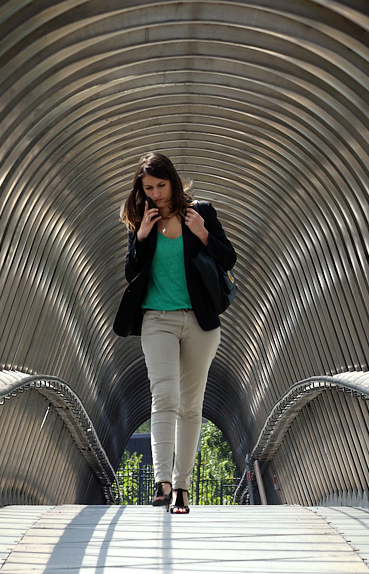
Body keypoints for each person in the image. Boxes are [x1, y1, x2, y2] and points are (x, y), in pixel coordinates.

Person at [114, 152, 236, 515]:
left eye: (161, 186)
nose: (155, 194)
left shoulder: (201, 212)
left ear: (173, 181)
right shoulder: (142, 218)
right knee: (164, 395)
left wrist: (203, 234)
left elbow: (228, 259)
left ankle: (182, 488)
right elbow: (131, 274)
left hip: (198, 321)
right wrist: (141, 236)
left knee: (191, 404)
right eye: (148, 188)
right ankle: (162, 481)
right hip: (157, 320)